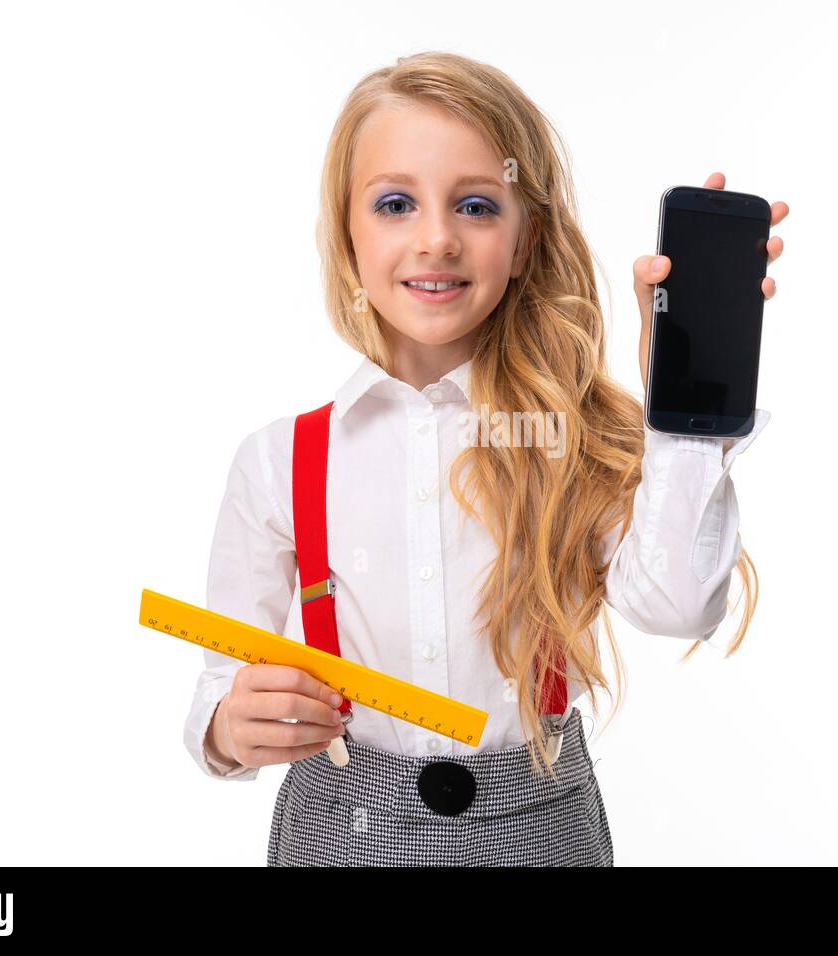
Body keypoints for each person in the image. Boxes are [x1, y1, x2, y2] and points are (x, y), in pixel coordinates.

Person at [182, 50, 788, 866]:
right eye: (395, 204)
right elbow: (222, 686)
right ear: (348, 232)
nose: (436, 239)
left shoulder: (568, 442)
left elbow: (678, 607)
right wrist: (231, 725)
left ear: (527, 238)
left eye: (475, 205)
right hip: (341, 835)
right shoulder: (279, 462)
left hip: (542, 832)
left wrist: (681, 418)